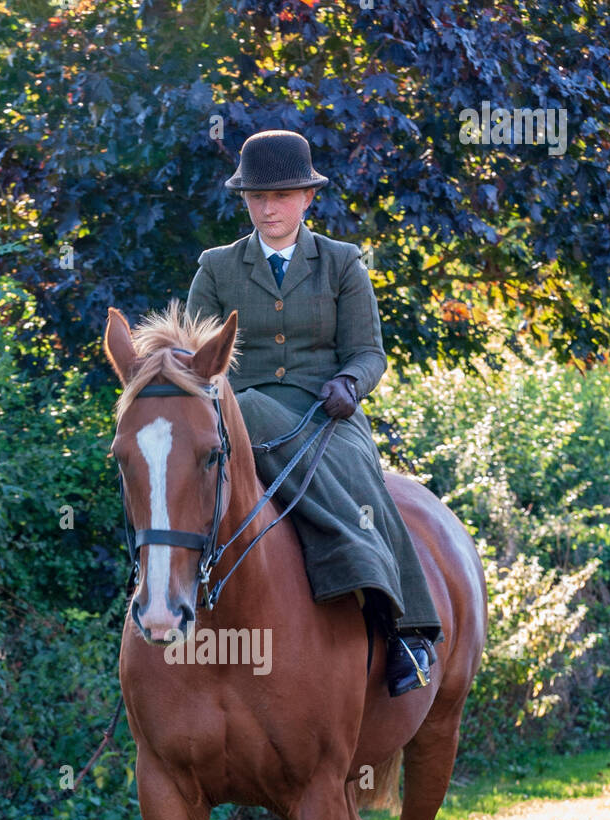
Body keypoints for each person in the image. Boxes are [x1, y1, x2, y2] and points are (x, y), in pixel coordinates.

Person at [185, 128, 443, 696]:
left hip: (326, 416)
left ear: (307, 198)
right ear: (245, 201)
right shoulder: (216, 267)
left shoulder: (342, 263)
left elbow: (368, 351)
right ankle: (158, 601)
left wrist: (351, 382)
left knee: (364, 482)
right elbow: (195, 359)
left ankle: (405, 629)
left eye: (280, 196)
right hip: (236, 416)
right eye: (257, 197)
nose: (268, 208)